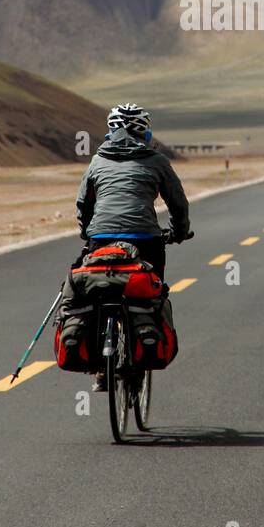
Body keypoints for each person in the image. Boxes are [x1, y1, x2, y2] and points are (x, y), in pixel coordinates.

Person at [75, 103, 191, 389]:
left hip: (100, 238)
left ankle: (101, 366)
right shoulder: (156, 160)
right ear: (146, 133)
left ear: (110, 131)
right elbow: (177, 202)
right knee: (151, 293)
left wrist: (88, 233)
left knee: (94, 291)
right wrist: (179, 231)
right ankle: (140, 360)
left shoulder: (97, 160)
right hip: (145, 239)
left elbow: (83, 203)